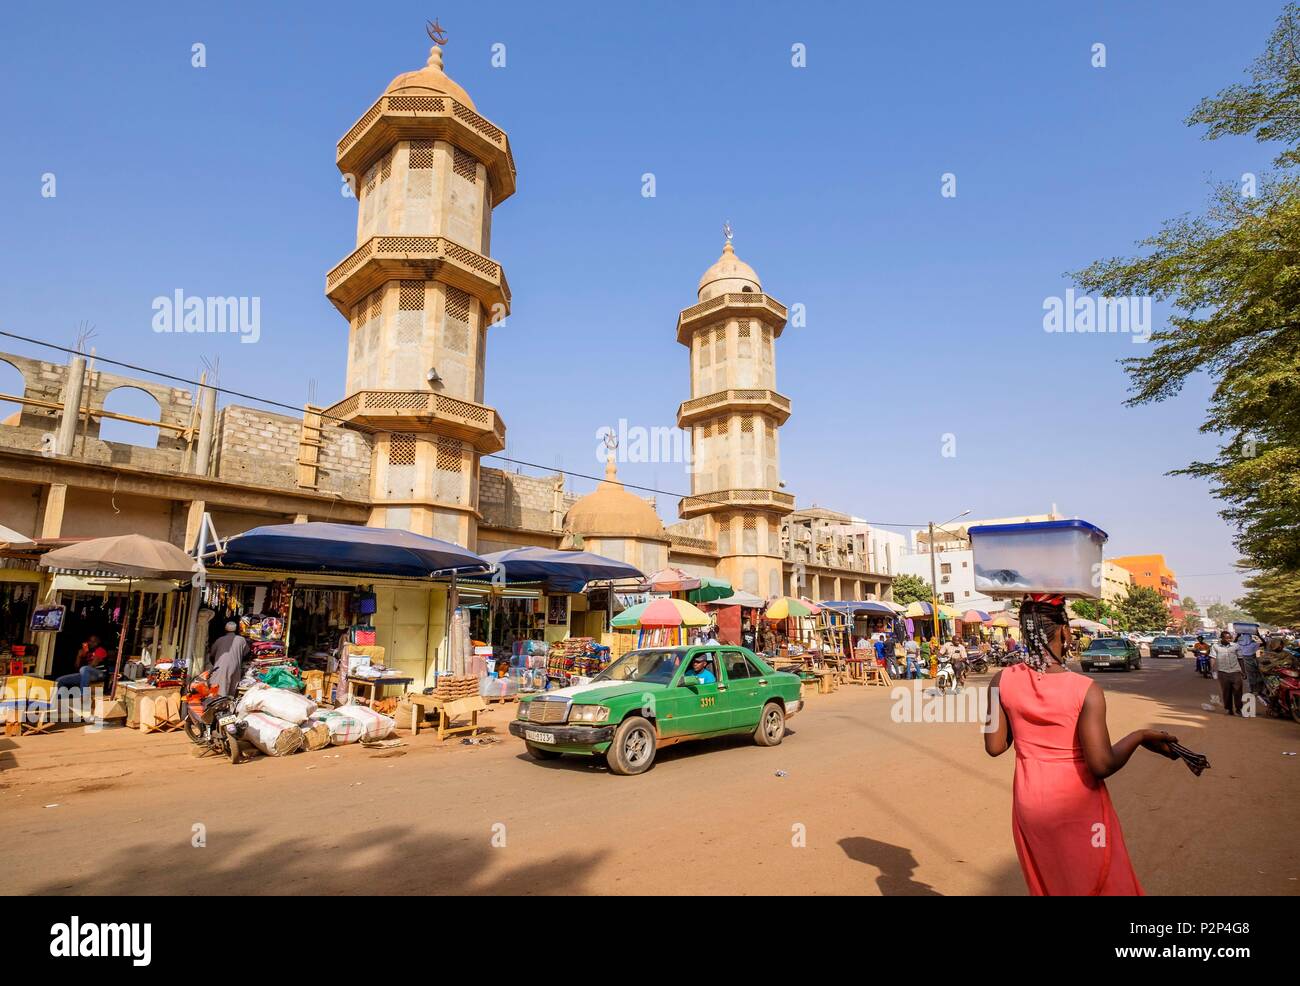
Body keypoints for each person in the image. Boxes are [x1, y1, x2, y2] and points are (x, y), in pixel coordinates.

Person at [983, 596, 1180, 895]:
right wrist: (1140, 737)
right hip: (1077, 807)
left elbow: (995, 745)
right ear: (1063, 631)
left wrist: (1017, 713)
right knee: (1101, 883)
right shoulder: (1085, 689)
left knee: (1052, 883)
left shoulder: (1000, 680)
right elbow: (1101, 765)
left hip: (1029, 805)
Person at [207, 621, 250, 698]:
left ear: (225, 630)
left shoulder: (219, 640)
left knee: (219, 691)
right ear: (236, 630)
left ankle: (219, 706)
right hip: (236, 668)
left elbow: (212, 654)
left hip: (221, 667)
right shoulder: (242, 640)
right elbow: (246, 652)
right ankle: (227, 707)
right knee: (231, 690)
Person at [1210, 630, 1244, 716]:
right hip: (1223, 672)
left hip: (1235, 671)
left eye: (1230, 638)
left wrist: (1243, 671)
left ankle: (1238, 709)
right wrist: (1212, 669)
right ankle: (1229, 709)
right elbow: (1213, 658)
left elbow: (1240, 658)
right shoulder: (1215, 646)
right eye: (1227, 638)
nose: (1229, 640)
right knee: (1226, 692)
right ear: (1221, 638)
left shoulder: (1236, 646)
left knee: (1238, 691)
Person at [1236, 629, 1264, 698]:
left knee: (1252, 675)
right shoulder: (1253, 641)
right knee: (1256, 674)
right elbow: (1262, 643)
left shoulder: (1241, 642)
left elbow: (1261, 645)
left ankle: (1254, 690)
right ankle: (1257, 690)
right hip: (1255, 658)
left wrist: (1238, 635)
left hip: (1251, 658)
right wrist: (1257, 634)